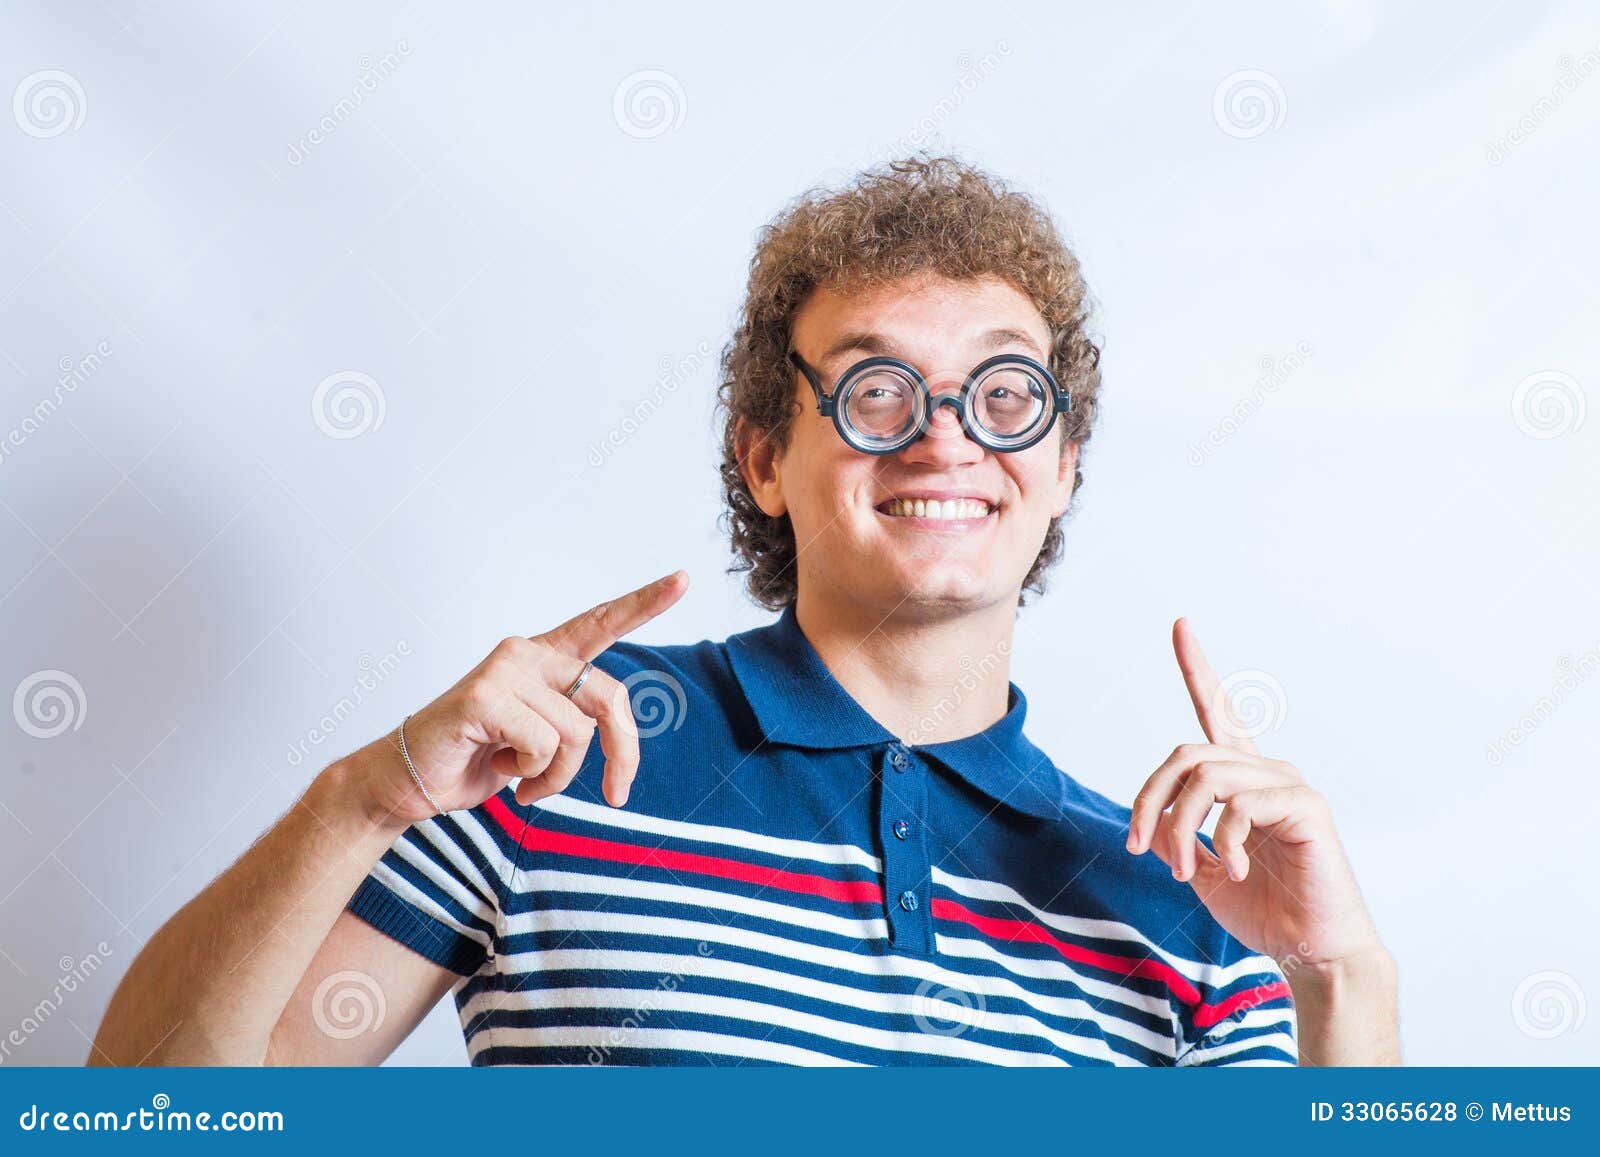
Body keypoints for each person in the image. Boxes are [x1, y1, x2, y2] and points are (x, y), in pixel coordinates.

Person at [92, 156, 1399, 1067]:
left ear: (1060, 465)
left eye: (1005, 397)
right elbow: (143, 1120)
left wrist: (1340, 974)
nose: (946, 442)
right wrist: (364, 798)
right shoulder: (556, 752)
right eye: (879, 393)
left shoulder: (1193, 899)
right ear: (765, 456)